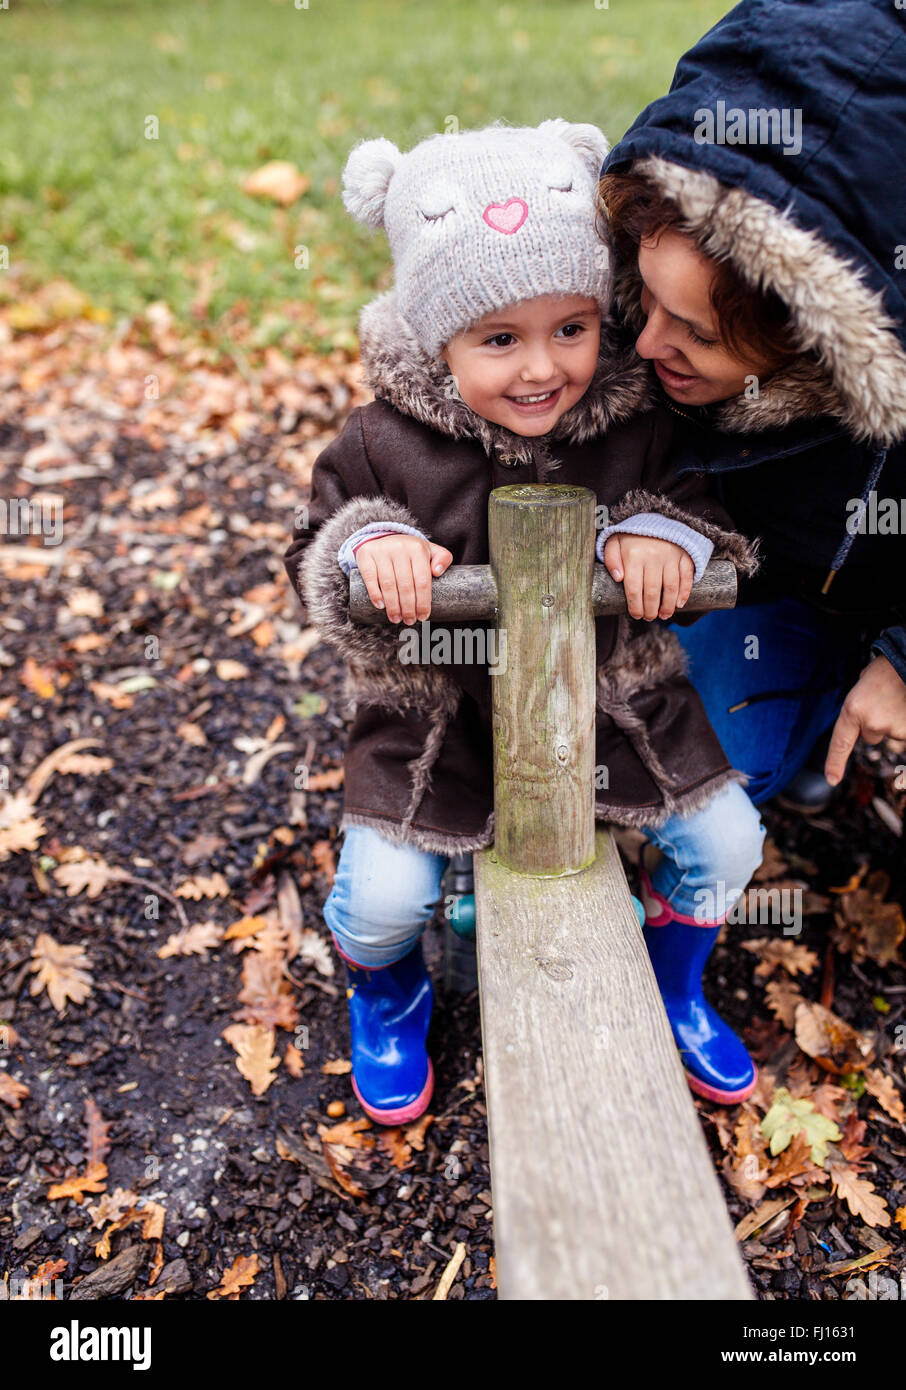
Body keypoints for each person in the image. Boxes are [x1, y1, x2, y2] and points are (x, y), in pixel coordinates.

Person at [284, 119, 766, 1125]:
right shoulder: (382, 440)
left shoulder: (638, 420)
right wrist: (369, 546)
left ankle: (675, 980)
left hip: (613, 701)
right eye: (499, 340)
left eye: (571, 328)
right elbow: (311, 541)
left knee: (727, 841)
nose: (541, 368)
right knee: (380, 897)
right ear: (437, 339)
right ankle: (387, 995)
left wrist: (663, 536)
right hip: (439, 719)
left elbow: (712, 512)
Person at [597, 0, 906, 815]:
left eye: (696, 334)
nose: (650, 341)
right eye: (646, 299)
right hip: (771, 592)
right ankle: (806, 713)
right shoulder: (647, 290)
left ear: (816, 339)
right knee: (704, 761)